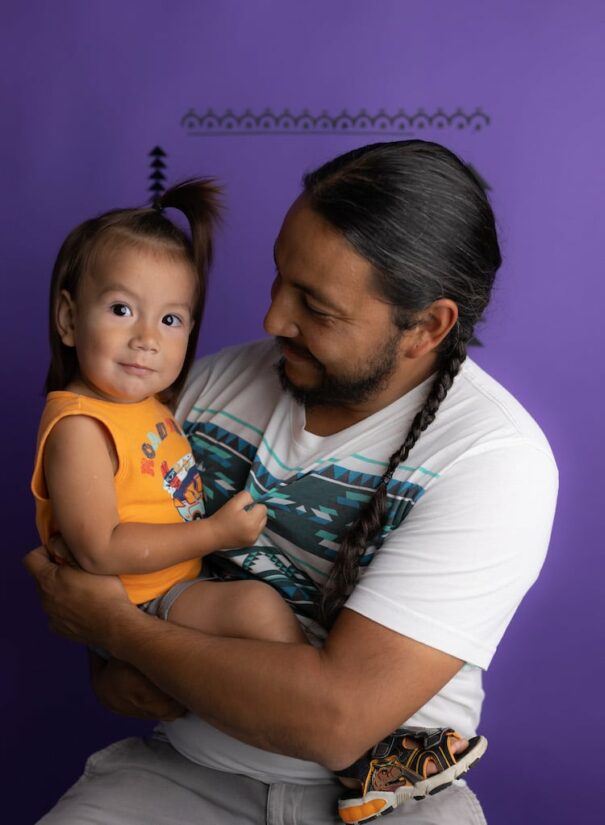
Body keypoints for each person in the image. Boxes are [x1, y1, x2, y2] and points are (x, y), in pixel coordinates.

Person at [25, 140, 558, 825]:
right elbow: (97, 580)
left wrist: (119, 633)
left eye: (315, 304)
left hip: (384, 802)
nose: (272, 318)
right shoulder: (207, 384)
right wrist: (109, 656)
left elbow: (335, 718)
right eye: (279, 278)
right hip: (190, 771)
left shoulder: (492, 459)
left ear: (425, 326)